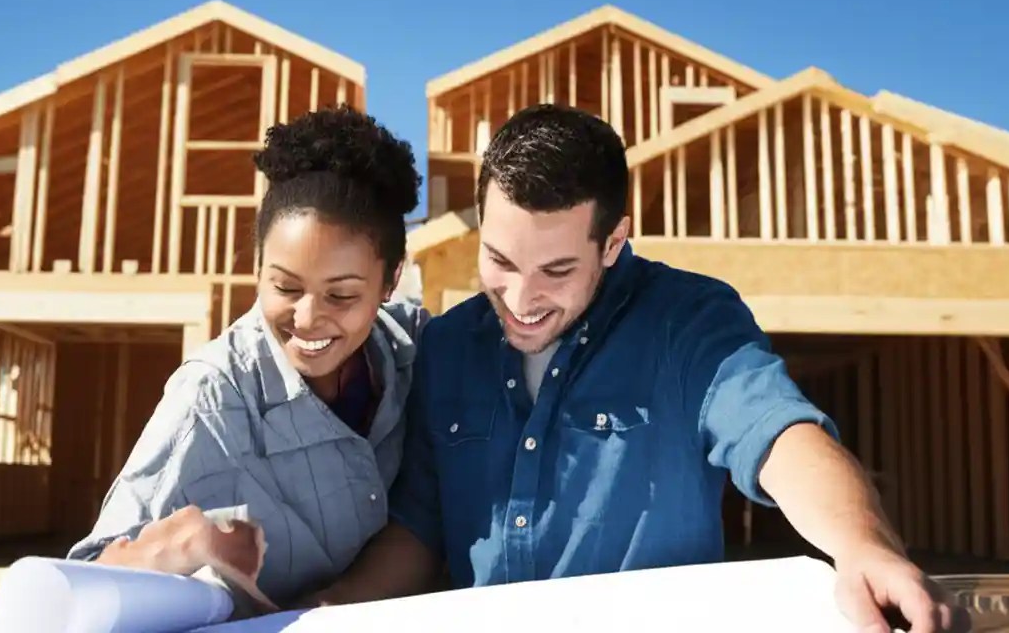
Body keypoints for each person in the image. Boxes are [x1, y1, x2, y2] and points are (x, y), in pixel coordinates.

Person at [312, 104, 965, 633]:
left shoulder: (687, 321)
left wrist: (862, 546)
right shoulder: (450, 346)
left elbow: (777, 433)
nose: (521, 298)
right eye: (501, 262)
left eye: (557, 270)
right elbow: (421, 526)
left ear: (614, 241)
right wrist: (332, 611)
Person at [67, 105, 427, 609]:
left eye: (341, 296)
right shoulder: (212, 398)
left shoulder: (415, 352)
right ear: (258, 267)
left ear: (390, 281)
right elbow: (83, 585)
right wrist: (178, 547)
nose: (306, 318)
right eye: (285, 286)